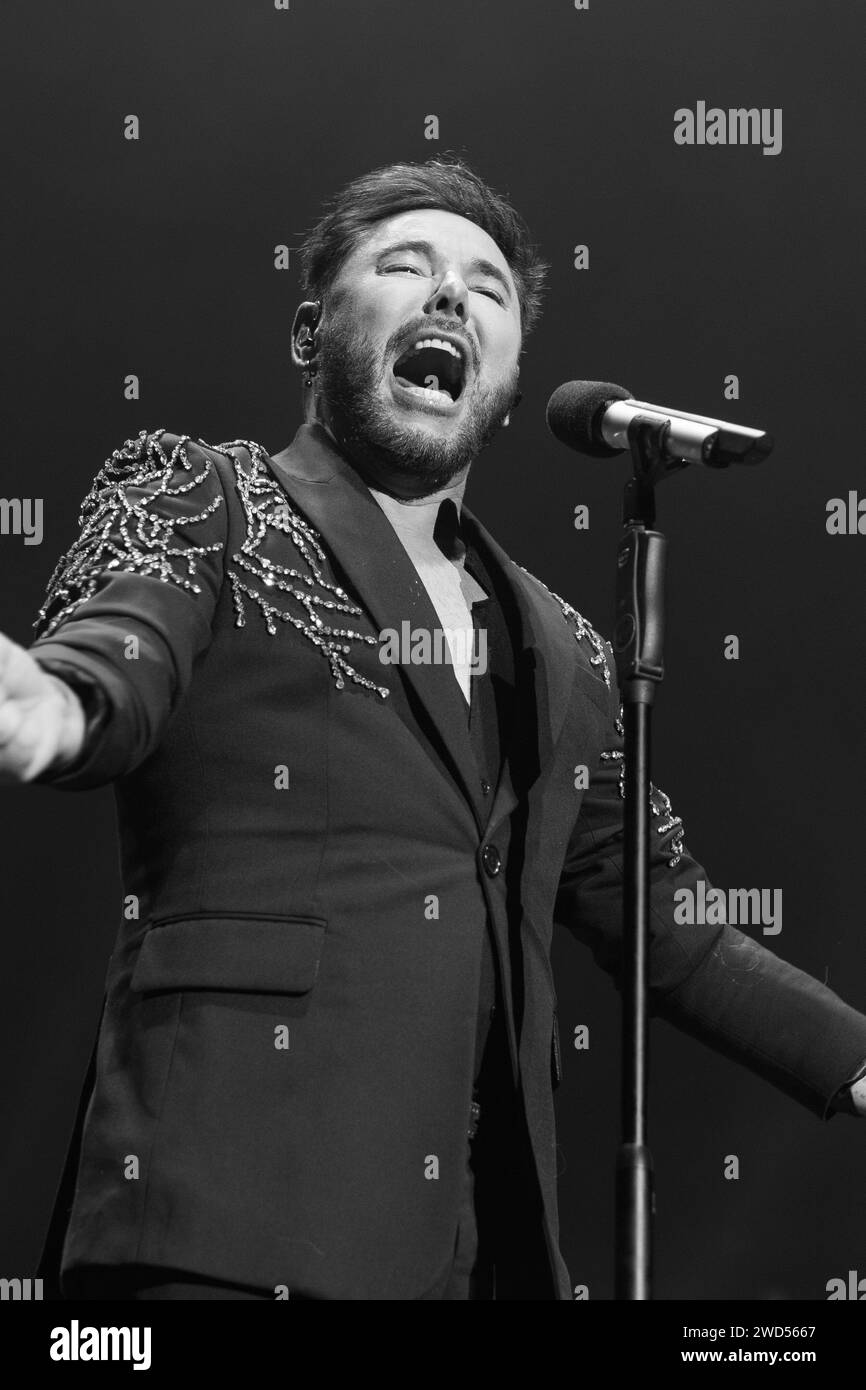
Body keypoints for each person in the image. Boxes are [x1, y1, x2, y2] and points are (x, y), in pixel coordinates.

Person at [2, 157, 865, 1301]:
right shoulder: (209, 498)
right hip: (218, 1228)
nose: (449, 296)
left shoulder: (558, 645)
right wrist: (54, 707)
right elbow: (121, 654)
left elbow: (668, 920)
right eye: (403, 267)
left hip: (474, 1253)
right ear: (312, 332)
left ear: (508, 383)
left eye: (486, 288)